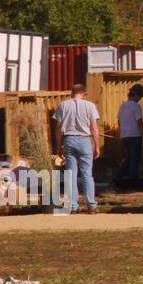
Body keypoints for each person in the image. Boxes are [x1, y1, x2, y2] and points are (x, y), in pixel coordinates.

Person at [51, 83, 101, 214]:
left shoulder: (63, 105)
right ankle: (91, 205)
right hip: (84, 140)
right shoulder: (90, 106)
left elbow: (58, 129)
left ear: (71, 93)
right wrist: (97, 145)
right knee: (87, 174)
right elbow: (94, 128)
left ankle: (73, 206)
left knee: (71, 175)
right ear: (85, 94)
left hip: (69, 139)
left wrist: (58, 146)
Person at [116, 83, 143, 186]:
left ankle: (119, 178)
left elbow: (119, 121)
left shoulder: (122, 105)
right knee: (134, 159)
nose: (140, 99)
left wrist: (122, 133)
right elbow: (139, 121)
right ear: (136, 95)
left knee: (129, 157)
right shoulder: (136, 106)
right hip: (134, 136)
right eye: (140, 96)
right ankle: (133, 181)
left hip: (125, 136)